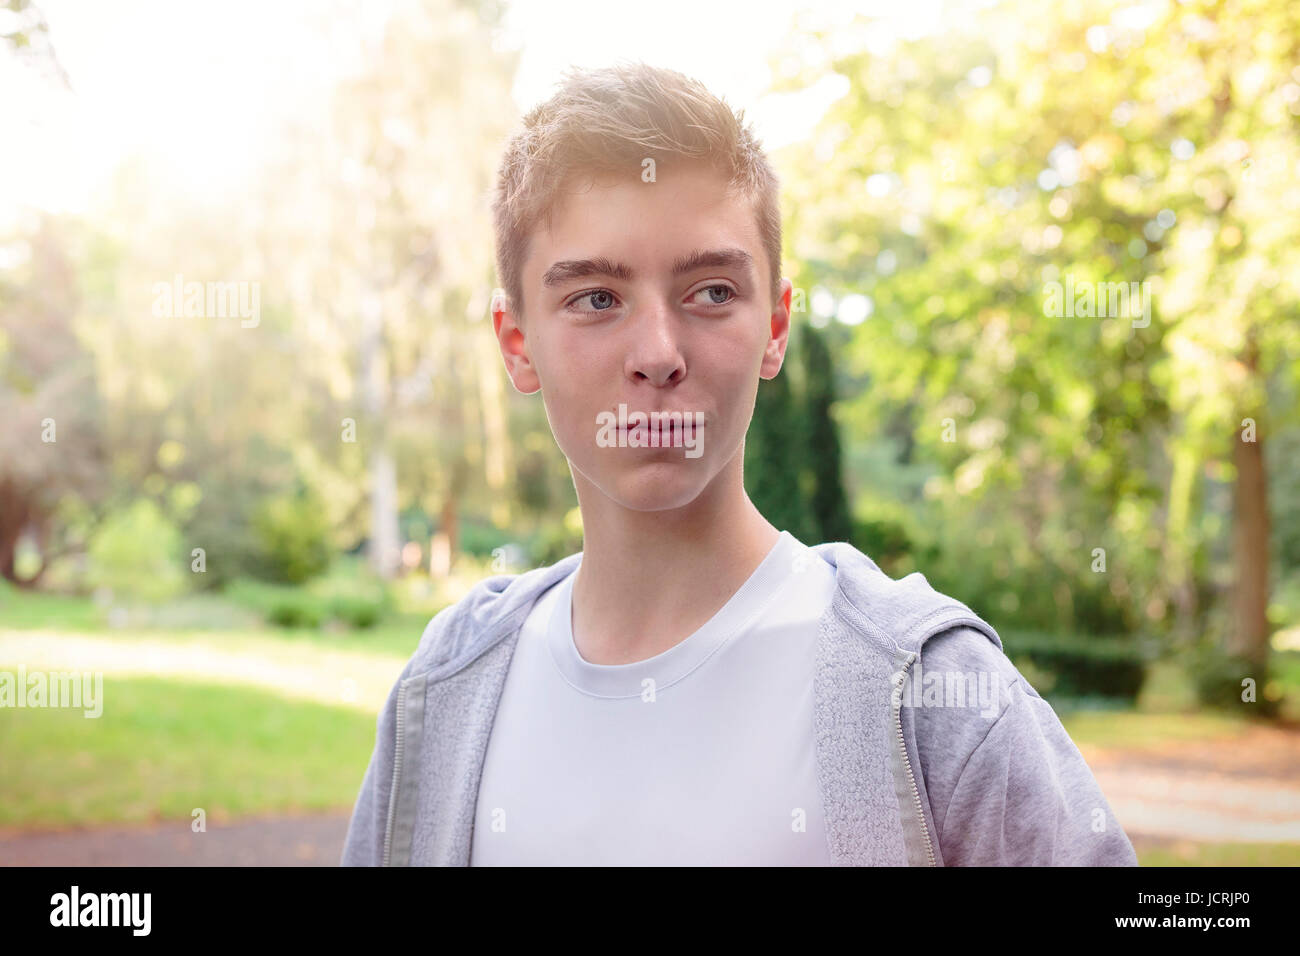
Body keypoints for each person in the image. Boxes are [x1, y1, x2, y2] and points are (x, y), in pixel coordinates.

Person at [341, 61, 1138, 866]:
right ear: (518, 345)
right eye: (595, 299)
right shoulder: (444, 693)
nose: (658, 354)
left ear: (777, 325)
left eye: (712, 291)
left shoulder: (932, 696)